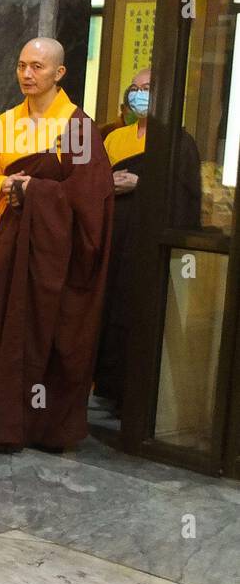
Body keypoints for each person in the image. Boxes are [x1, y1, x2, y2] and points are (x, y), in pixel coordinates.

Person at [0, 37, 114, 452]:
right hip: (9, 238)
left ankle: (42, 427)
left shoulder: (74, 126)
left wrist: (36, 190)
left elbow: (90, 196)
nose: (27, 74)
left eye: (37, 67)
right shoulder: (4, 123)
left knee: (46, 330)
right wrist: (10, 185)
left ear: (59, 73)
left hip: (56, 254)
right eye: (21, 66)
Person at [93, 69, 202, 413]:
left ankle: (136, 398)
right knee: (107, 309)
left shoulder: (177, 142)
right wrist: (108, 185)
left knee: (137, 311)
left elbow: (185, 194)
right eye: (135, 89)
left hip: (145, 245)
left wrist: (143, 182)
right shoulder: (114, 138)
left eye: (148, 89)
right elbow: (90, 181)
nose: (139, 95)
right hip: (114, 235)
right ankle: (105, 387)